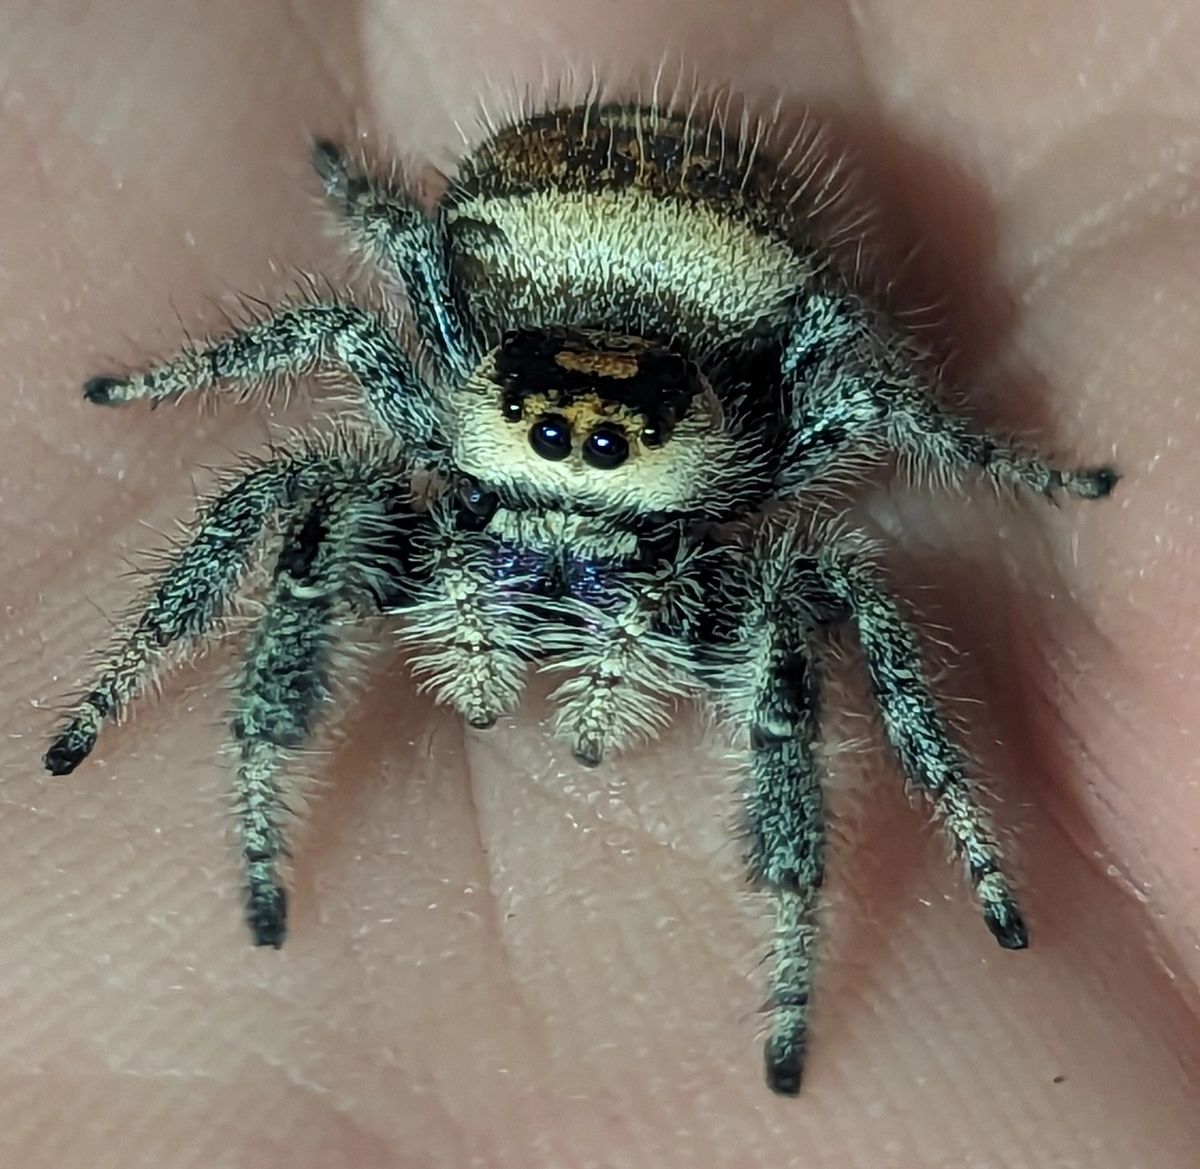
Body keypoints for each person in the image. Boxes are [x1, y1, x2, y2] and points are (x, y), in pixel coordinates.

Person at [4, 2, 1197, 1165]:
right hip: (620, 238)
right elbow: (347, 322)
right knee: (304, 506)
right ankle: (154, 682)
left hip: (653, 246)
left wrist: (993, 465)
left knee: (823, 613)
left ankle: (824, 909)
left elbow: (869, 388)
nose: (549, 577)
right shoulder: (438, 436)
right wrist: (133, 675)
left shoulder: (766, 476)